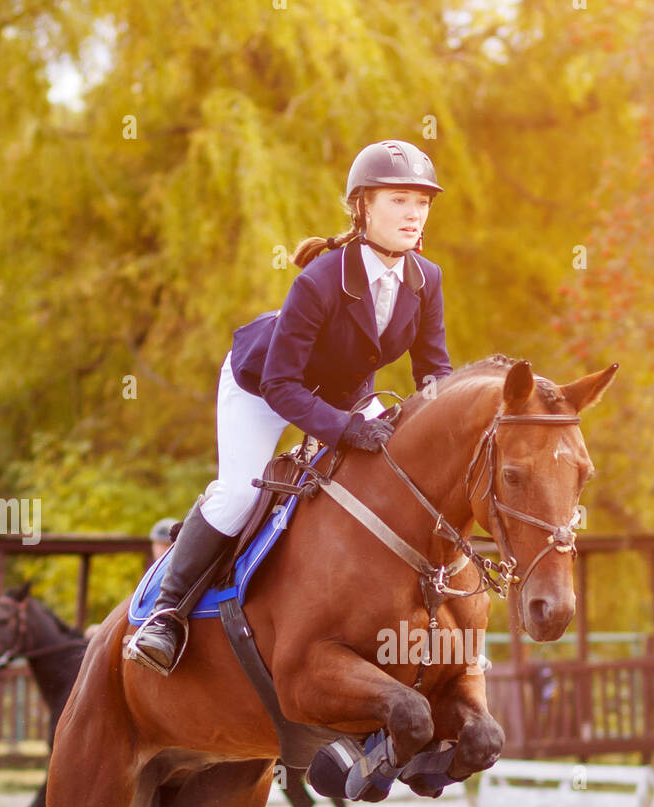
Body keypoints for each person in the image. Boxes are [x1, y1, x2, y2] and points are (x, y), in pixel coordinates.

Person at [125, 139, 453, 674]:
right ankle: (167, 614)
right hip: (261, 386)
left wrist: (441, 423)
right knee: (237, 494)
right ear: (363, 206)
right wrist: (345, 429)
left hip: (343, 395)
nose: (414, 212)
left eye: (422, 201)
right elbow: (282, 386)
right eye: (398, 199)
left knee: (388, 476)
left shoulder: (427, 278)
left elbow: (433, 370)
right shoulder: (320, 279)